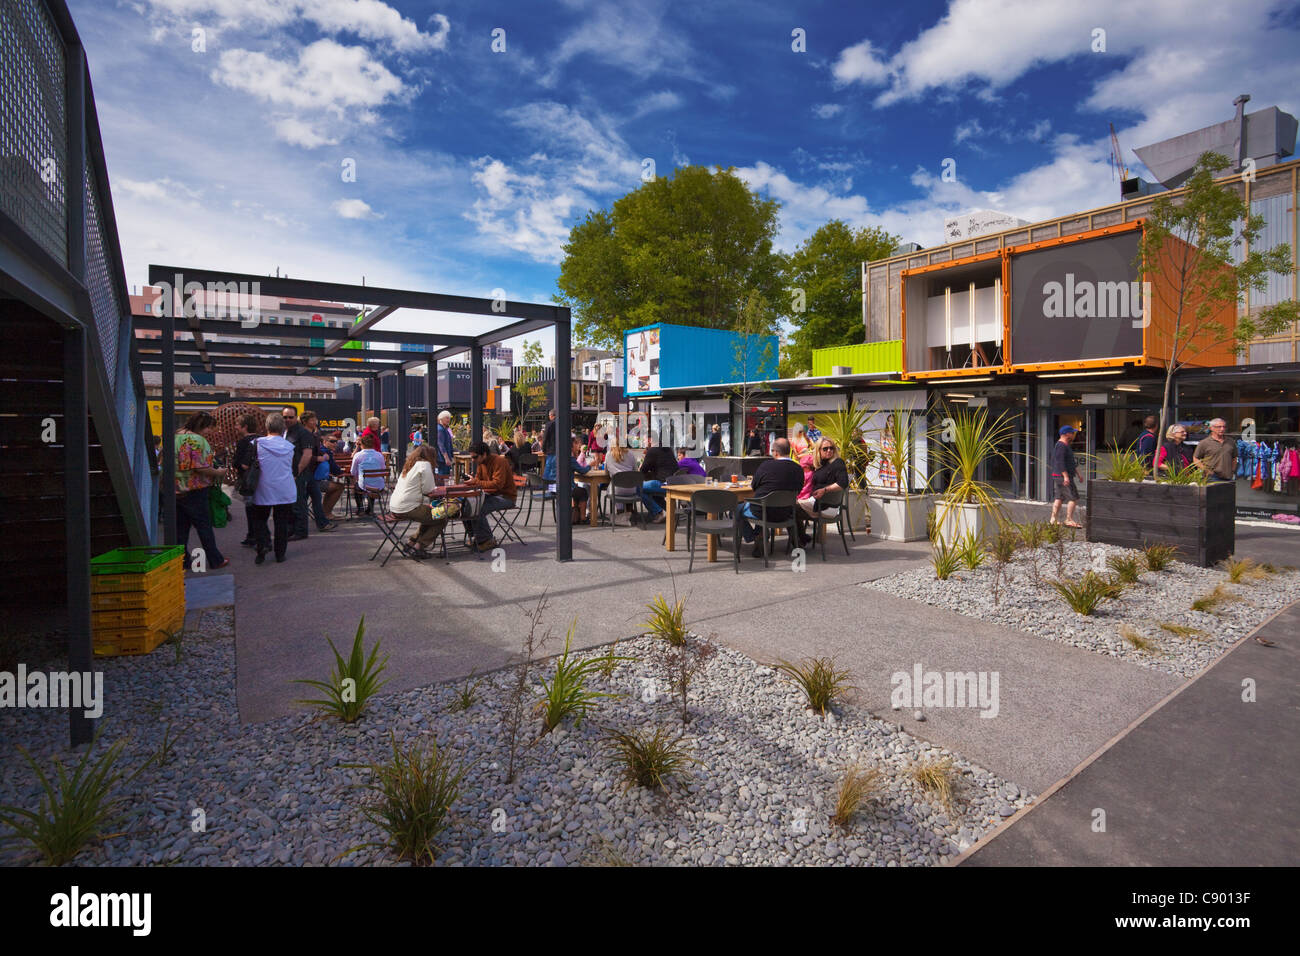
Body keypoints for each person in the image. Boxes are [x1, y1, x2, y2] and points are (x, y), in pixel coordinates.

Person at [174, 412, 230, 571]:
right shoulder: (197, 440)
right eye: (209, 428)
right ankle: (215, 560)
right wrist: (219, 473)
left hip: (175, 489)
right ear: (202, 425)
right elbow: (200, 467)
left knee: (180, 529)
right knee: (204, 526)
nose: (210, 432)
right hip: (195, 490)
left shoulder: (175, 436)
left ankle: (182, 561)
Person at [739, 438, 805, 557]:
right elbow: (798, 491)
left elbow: (754, 486)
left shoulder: (766, 466)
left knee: (737, 509)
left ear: (775, 452)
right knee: (763, 503)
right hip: (787, 513)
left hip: (762, 511)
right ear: (789, 451)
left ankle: (754, 536)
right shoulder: (799, 469)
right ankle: (760, 535)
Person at [249, 412, 297, 564]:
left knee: (260, 520)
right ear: (283, 428)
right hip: (285, 487)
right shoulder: (290, 447)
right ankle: (280, 554)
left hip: (263, 486)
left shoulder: (257, 444)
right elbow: (293, 467)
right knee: (281, 522)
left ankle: (262, 546)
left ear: (266, 426)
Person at [462, 440, 517, 551]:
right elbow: (479, 480)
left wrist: (475, 482)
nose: (473, 460)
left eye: (475, 457)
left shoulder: (499, 461)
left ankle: (487, 540)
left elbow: (498, 485)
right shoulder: (481, 463)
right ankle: (475, 536)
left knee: (478, 507)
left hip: (506, 496)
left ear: (484, 454)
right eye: (472, 457)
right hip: (491, 494)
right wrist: (472, 480)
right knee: (466, 504)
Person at [388, 445, 443, 555]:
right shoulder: (425, 465)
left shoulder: (409, 465)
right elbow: (428, 489)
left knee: (430, 514)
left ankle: (411, 542)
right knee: (441, 517)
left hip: (395, 506)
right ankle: (419, 546)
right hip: (408, 507)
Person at [798, 437, 849, 546]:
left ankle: (800, 539)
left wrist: (825, 490)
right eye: (825, 449)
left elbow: (843, 483)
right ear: (819, 450)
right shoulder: (822, 465)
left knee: (791, 508)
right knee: (793, 508)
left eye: (831, 448)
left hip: (826, 507)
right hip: (820, 504)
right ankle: (801, 538)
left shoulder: (838, 462)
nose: (829, 451)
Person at [282, 406, 316, 541]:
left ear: (296, 418)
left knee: (298, 503)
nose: (288, 420)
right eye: (285, 417)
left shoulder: (303, 433)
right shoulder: (284, 431)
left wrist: (296, 472)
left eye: (291, 417)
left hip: (298, 474)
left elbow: (307, 455)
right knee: (289, 503)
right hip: (286, 473)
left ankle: (301, 531)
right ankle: (291, 529)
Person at [302, 410, 338, 534]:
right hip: (304, 471)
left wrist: (323, 454)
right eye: (312, 420)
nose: (314, 422)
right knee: (304, 500)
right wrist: (319, 458)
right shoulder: (304, 435)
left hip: (311, 472)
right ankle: (300, 526)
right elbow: (300, 455)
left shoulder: (314, 435)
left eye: (315, 419)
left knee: (314, 498)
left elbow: (316, 451)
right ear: (305, 422)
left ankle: (321, 523)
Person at [543, 435, 591, 523]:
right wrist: (590, 466)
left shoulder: (551, 457)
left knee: (577, 491)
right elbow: (583, 471)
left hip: (551, 487)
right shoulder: (569, 459)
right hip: (563, 489)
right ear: (571, 446)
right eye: (575, 444)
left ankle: (575, 516)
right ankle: (583, 517)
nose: (578, 446)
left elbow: (545, 475)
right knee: (583, 491)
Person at [232, 413, 261, 547]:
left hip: (247, 480)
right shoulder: (261, 439)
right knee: (259, 509)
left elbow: (240, 463)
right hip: (260, 479)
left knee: (250, 509)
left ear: (245, 427)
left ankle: (253, 536)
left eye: (237, 424)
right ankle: (256, 535)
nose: (235, 427)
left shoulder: (243, 442)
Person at [1049, 426, 1083, 528]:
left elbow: (1071, 462)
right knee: (1074, 497)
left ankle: (1053, 519)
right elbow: (1060, 462)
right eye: (1072, 433)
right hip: (1062, 476)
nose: (1073, 434)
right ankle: (1068, 520)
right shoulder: (1061, 446)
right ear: (1066, 434)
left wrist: (1078, 473)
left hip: (1060, 476)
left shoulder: (1066, 445)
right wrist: (1066, 477)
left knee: (1059, 497)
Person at [636, 443, 678, 523]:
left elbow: (642, 471)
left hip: (663, 484)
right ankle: (668, 511)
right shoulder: (668, 449)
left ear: (650, 440)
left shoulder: (652, 450)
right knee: (647, 489)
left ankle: (659, 512)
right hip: (673, 483)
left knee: (637, 487)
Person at [350, 434, 388, 515]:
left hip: (364, 485)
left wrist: (357, 476)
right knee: (373, 482)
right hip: (379, 485)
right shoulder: (379, 455)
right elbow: (383, 470)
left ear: (362, 444)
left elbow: (352, 472)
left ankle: (360, 508)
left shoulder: (358, 455)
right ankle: (370, 509)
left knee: (358, 486)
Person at [319, 434, 346, 521]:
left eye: (336, 442)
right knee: (340, 487)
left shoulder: (325, 451)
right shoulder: (325, 451)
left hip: (319, 480)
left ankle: (324, 512)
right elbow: (334, 469)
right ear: (324, 442)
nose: (335, 444)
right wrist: (343, 472)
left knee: (334, 486)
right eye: (332, 441)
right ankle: (327, 513)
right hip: (315, 482)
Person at [435, 410, 455, 478]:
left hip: (444, 458)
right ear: (441, 418)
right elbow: (441, 445)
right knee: (443, 477)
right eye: (446, 418)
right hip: (442, 459)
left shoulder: (444, 429)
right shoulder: (440, 429)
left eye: (449, 418)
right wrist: (446, 458)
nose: (448, 419)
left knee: (445, 476)